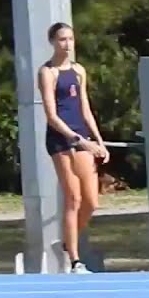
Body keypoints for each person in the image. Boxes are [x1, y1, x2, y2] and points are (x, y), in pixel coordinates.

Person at [38, 22, 109, 274]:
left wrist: (98, 141)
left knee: (91, 201)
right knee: (73, 198)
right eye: (61, 40)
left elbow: (85, 108)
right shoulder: (48, 72)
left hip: (83, 138)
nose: (67, 44)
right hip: (61, 139)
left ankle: (69, 242)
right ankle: (75, 260)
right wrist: (78, 139)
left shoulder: (79, 71)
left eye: (70, 39)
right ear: (52, 42)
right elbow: (51, 115)